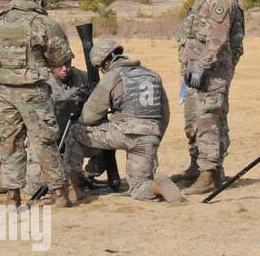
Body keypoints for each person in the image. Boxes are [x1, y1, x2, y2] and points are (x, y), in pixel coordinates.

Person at [0, 0, 74, 206]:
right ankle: (59, 194)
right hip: (33, 92)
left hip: (3, 92)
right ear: (40, 0)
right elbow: (60, 58)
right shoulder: (44, 22)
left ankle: (12, 195)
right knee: (44, 140)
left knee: (10, 142)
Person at [72, 38, 181, 202]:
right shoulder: (152, 75)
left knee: (73, 132)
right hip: (150, 135)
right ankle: (156, 186)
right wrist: (154, 138)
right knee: (139, 188)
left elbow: (88, 117)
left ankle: (72, 183)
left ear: (106, 62)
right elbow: (164, 113)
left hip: (123, 133)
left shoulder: (113, 76)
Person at [175, 0, 245, 195]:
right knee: (194, 120)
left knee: (209, 121)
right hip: (196, 72)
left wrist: (202, 67)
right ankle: (197, 166)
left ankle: (210, 175)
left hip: (210, 73)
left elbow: (217, 40)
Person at [24, 59, 90, 206]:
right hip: (47, 138)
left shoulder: (84, 77)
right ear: (50, 66)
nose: (65, 69)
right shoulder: (41, 82)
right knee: (34, 186)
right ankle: (8, 181)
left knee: (105, 146)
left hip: (75, 136)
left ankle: (87, 175)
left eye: (67, 64)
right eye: (59, 65)